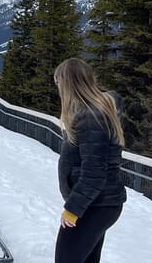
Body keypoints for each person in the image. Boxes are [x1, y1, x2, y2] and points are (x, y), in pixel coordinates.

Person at [53, 58, 126, 263]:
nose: (58, 89)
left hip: (95, 206)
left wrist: (72, 210)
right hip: (99, 204)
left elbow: (94, 173)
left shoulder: (91, 117)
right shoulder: (95, 112)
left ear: (68, 83)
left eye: (58, 83)